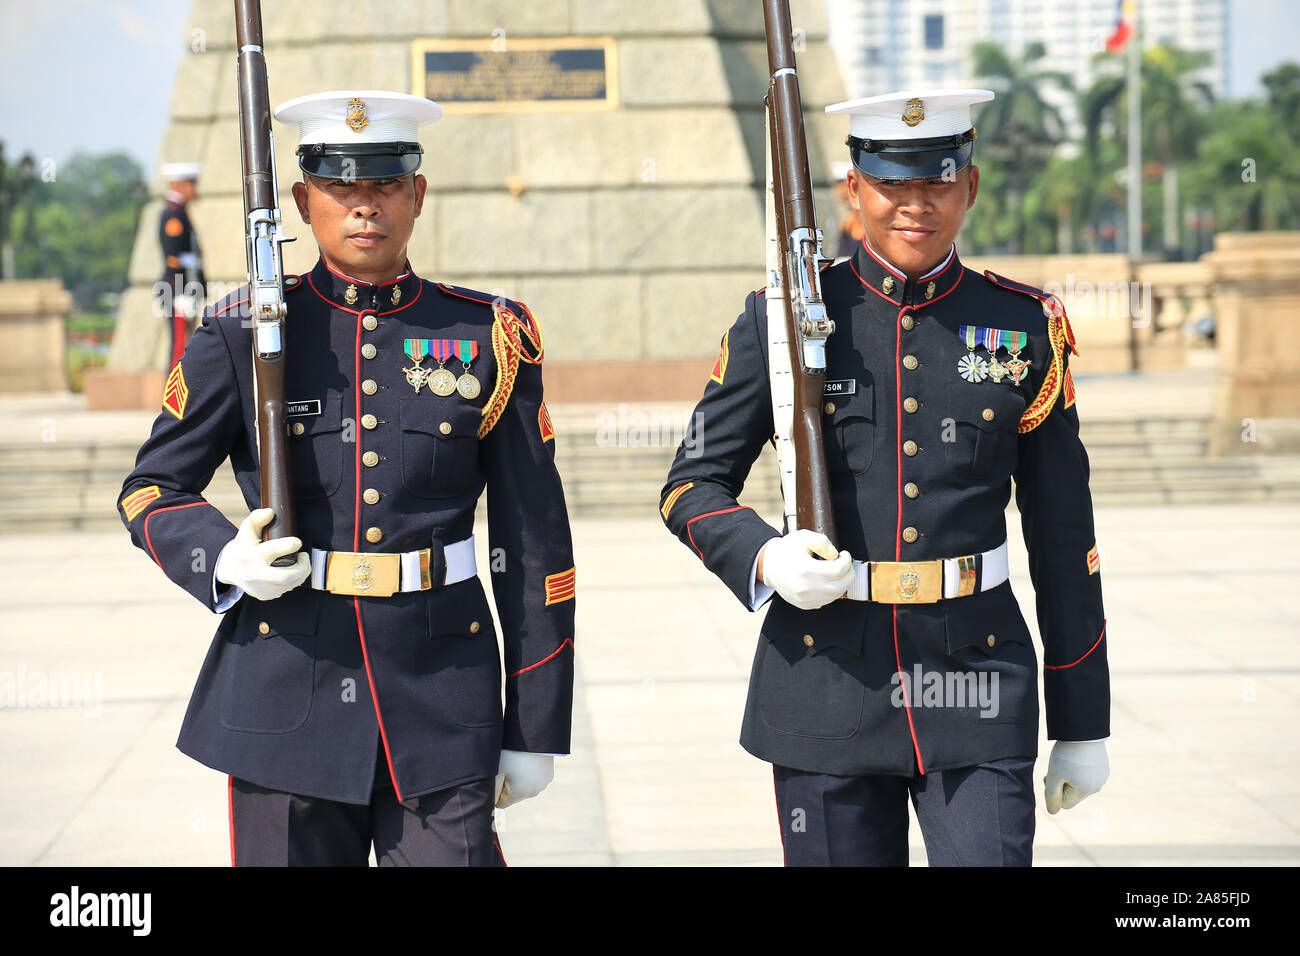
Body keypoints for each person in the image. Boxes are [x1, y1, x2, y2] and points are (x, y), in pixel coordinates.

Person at [119, 91, 575, 866]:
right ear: (302, 201)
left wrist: (535, 723)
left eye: (386, 185)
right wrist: (221, 557)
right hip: (284, 692)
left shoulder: (487, 334)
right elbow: (150, 488)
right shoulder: (244, 333)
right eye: (340, 187)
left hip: (442, 698)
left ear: (418, 195)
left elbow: (534, 543)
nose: (365, 207)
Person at [659, 89, 1110, 866]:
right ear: (853, 190)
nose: (914, 205)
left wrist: (1082, 720)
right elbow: (690, 484)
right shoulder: (781, 320)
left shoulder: (1024, 326)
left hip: (979, 682)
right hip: (824, 683)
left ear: (968, 187)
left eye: (936, 182)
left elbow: (1064, 537)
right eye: (891, 185)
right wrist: (765, 556)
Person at [157, 162, 205, 368]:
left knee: (185, 344)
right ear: (179, 185)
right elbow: (173, 256)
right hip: (177, 289)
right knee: (179, 346)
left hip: (185, 287)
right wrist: (181, 293)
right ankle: (173, 397)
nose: (195, 189)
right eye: (191, 183)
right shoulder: (173, 214)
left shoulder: (181, 212)